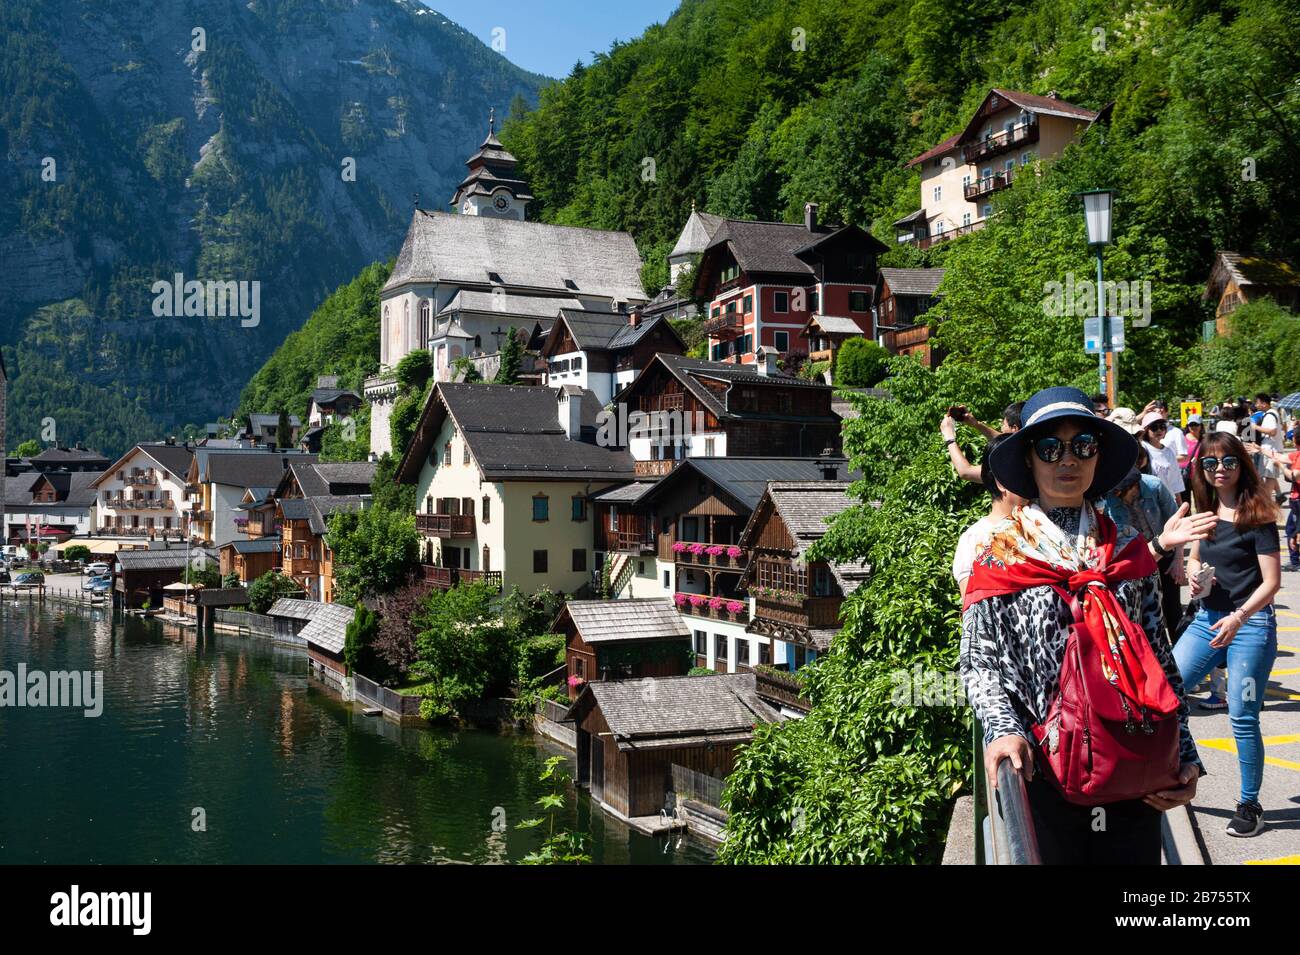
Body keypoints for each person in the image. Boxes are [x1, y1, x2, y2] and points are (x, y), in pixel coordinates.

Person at [961, 386, 1202, 864]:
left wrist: (1185, 755)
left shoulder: (1129, 550)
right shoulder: (1000, 554)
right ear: (1029, 460)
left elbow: (1158, 656)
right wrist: (1002, 729)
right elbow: (980, 662)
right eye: (1050, 448)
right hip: (1045, 771)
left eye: (1083, 445)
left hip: (1134, 766)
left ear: (1098, 456)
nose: (1066, 459)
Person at [1174, 431, 1281, 837]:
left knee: (1242, 715)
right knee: (1166, 695)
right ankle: (1176, 771)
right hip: (1206, 619)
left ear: (1242, 465)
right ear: (1200, 468)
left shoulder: (1259, 516)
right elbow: (1196, 558)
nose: (1219, 469)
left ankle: (1250, 804)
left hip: (1250, 624)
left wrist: (1238, 616)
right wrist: (1195, 577)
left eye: (1228, 462)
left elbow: (1270, 583)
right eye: (1210, 463)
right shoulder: (1204, 513)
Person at [1102, 448, 1216, 646]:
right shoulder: (1111, 500)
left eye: (1122, 492)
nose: (1119, 496)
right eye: (1116, 492)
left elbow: (1177, 524)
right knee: (1142, 615)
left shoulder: (1154, 486)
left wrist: (1179, 561)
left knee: (1173, 611)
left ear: (1134, 485)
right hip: (1135, 561)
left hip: (1167, 555)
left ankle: (1180, 659)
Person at [952, 435, 1028, 598]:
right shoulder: (973, 539)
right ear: (1001, 481)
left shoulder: (1044, 523)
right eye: (1025, 473)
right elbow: (973, 608)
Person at [941, 400, 1025, 484]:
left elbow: (966, 472)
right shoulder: (1029, 448)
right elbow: (1005, 442)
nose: (1001, 428)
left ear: (1014, 428)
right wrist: (976, 424)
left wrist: (949, 436)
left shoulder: (1012, 463)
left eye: (1004, 425)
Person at [1251, 439, 1300, 572]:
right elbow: (1279, 456)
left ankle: (1296, 562)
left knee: (1292, 530)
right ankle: (1295, 560)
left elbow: (1294, 476)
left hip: (1298, 500)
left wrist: (1281, 466)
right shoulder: (1296, 455)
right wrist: (1260, 449)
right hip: (1296, 500)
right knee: (1292, 529)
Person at [1140, 411, 1186, 500]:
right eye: (1154, 427)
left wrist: (1179, 505)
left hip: (1168, 502)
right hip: (1149, 501)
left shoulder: (1169, 452)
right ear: (1146, 430)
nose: (1159, 430)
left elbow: (1175, 482)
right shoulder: (1142, 449)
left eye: (1162, 426)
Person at [1252, 393, 1282, 502]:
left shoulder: (1270, 415)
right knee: (1270, 475)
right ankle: (1279, 496)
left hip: (1271, 450)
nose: (1256, 405)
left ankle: (1266, 502)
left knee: (1269, 476)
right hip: (1269, 449)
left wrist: (1256, 427)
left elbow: (1273, 431)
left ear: (1264, 404)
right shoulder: (1270, 413)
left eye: (1257, 402)